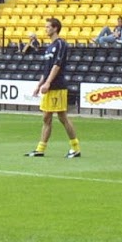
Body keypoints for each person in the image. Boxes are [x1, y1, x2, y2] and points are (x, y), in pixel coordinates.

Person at [25, 18, 80, 158]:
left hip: (57, 87)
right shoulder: (49, 47)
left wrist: (48, 82)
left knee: (62, 117)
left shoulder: (61, 44)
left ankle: (75, 147)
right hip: (50, 87)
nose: (46, 29)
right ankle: (40, 149)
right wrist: (40, 84)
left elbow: (57, 65)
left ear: (55, 28)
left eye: (48, 27)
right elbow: (47, 69)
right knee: (46, 118)